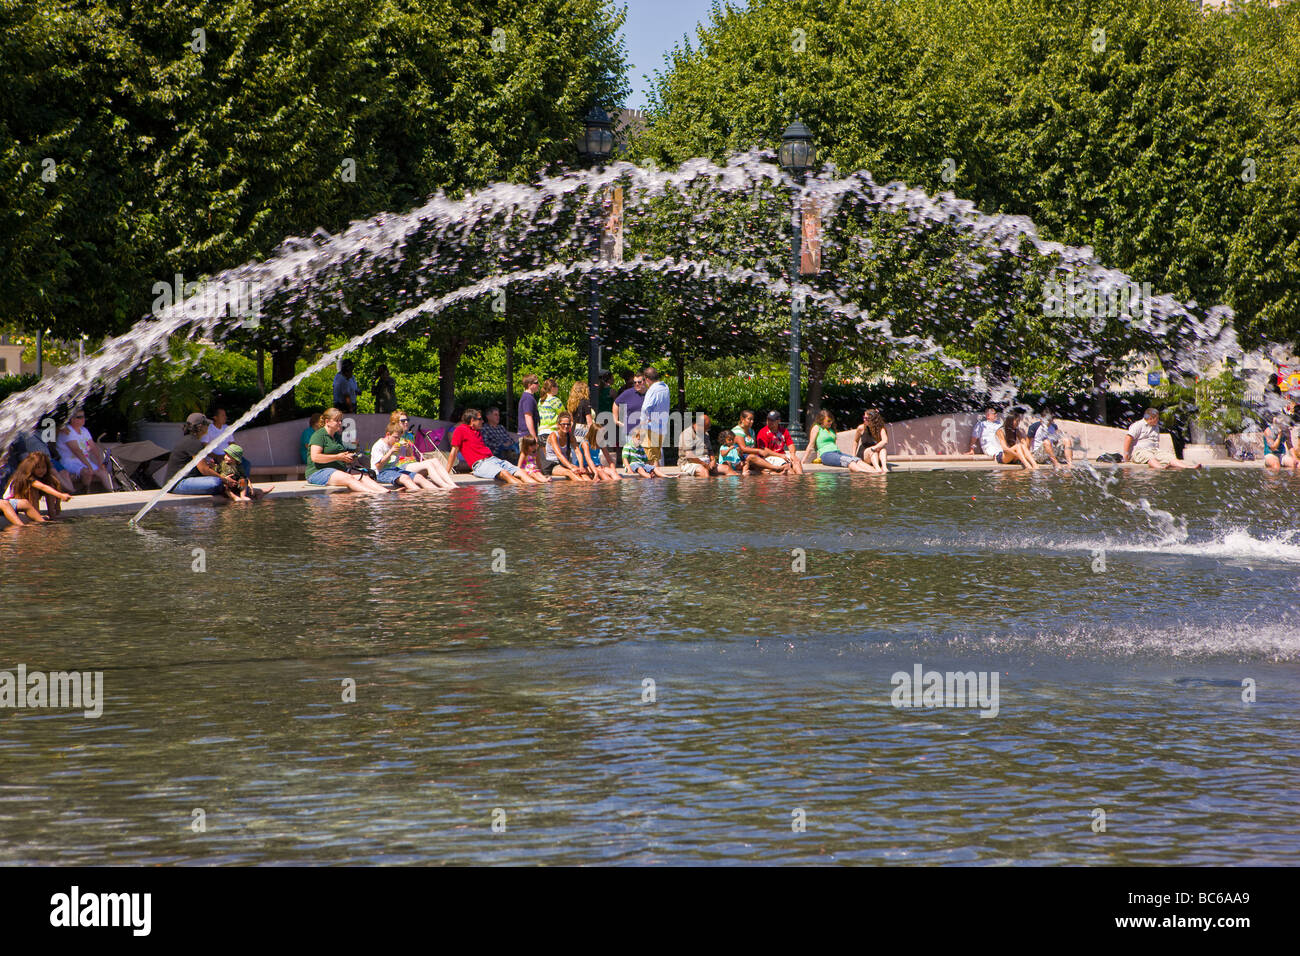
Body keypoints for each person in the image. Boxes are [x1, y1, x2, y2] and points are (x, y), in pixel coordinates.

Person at [306, 407, 391, 493]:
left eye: (341, 420)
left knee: (363, 477)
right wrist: (338, 457)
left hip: (337, 471)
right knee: (349, 478)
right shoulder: (318, 436)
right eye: (337, 420)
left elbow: (342, 455)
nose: (340, 423)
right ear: (327, 421)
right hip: (318, 472)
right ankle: (373, 494)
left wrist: (349, 456)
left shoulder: (337, 437)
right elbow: (315, 457)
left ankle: (385, 492)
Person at [167, 413, 244, 498]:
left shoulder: (191, 440)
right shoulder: (193, 442)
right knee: (216, 482)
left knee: (219, 479)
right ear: (200, 427)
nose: (208, 427)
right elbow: (204, 469)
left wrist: (212, 468)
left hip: (183, 481)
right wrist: (225, 479)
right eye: (207, 424)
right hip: (178, 483)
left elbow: (201, 467)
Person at [448, 408, 527, 485]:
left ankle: (530, 493)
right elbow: (453, 452)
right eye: (480, 419)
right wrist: (447, 472)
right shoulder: (460, 430)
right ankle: (523, 495)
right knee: (504, 473)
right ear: (472, 420)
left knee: (521, 472)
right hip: (480, 464)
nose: (482, 421)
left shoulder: (477, 431)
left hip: (493, 459)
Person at [381, 410, 457, 487]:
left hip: (412, 463)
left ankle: (452, 485)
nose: (406, 422)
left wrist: (409, 448)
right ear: (396, 422)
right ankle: (445, 486)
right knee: (429, 464)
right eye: (403, 421)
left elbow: (410, 455)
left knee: (435, 460)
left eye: (407, 420)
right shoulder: (393, 438)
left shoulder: (409, 436)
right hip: (401, 465)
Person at [1123, 407, 1201, 470]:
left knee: (1169, 456)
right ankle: (1161, 468)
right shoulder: (1138, 425)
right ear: (1150, 418)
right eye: (1157, 418)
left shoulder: (1156, 427)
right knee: (1149, 457)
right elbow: (1128, 438)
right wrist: (1126, 456)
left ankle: (1187, 467)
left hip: (1155, 450)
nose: (1158, 420)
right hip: (1140, 452)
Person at [57, 408, 115, 492]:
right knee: (87, 472)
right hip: (70, 462)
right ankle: (86, 490)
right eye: (79, 417)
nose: (83, 419)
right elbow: (76, 451)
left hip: (83, 461)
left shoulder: (84, 430)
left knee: (103, 473)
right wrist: (89, 465)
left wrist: (100, 463)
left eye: (83, 416)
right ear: (72, 419)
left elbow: (93, 447)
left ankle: (112, 492)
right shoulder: (67, 431)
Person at [370, 424, 440, 491]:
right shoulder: (379, 445)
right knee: (405, 478)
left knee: (419, 477)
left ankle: (437, 493)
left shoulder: (395, 444)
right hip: (380, 473)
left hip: (394, 470)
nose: (397, 440)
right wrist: (390, 452)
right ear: (388, 434)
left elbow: (409, 455)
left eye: (399, 438)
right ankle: (418, 498)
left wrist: (408, 448)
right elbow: (378, 466)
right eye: (395, 437)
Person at [4, 452, 72, 521]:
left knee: (51, 485)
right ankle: (36, 515)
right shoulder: (26, 477)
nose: (41, 470)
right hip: (12, 500)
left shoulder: (46, 477)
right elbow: (42, 487)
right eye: (38, 468)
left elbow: (55, 486)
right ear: (30, 468)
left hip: (26, 500)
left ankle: (52, 513)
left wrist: (57, 505)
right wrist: (60, 495)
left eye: (43, 467)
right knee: (33, 489)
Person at [806, 410, 872, 473]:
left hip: (837, 453)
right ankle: (867, 473)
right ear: (821, 420)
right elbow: (811, 445)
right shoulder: (817, 428)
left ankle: (877, 472)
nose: (831, 422)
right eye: (828, 421)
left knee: (857, 460)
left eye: (831, 421)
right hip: (826, 454)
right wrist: (804, 460)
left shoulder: (831, 430)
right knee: (850, 461)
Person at [542, 412, 592, 481]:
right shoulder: (553, 436)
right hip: (552, 465)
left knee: (582, 473)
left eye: (568, 424)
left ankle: (589, 489)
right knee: (570, 472)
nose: (566, 426)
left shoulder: (570, 436)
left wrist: (581, 467)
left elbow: (578, 452)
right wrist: (571, 467)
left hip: (564, 464)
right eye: (563, 424)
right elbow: (559, 455)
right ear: (558, 425)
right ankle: (582, 487)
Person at [640, 367, 671, 467]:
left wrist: (644, 421)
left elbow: (645, 407)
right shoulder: (665, 387)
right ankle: (658, 481)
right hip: (662, 426)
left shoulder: (652, 389)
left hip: (650, 427)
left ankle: (653, 481)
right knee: (656, 457)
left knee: (651, 459)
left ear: (647, 379)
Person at [614, 372, 647, 460]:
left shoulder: (650, 393)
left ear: (645, 381)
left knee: (646, 457)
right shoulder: (628, 393)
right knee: (632, 457)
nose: (636, 384)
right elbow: (616, 403)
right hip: (630, 430)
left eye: (639, 382)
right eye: (634, 382)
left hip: (646, 430)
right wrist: (615, 419)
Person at [537, 379, 564, 445]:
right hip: (552, 431)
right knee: (554, 454)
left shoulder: (541, 400)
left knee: (546, 455)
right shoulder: (555, 400)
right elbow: (564, 414)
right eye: (557, 387)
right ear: (552, 388)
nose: (558, 389)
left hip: (541, 432)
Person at [517, 375, 541, 444]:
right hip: (527, 437)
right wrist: (533, 436)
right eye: (536, 383)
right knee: (528, 455)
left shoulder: (529, 397)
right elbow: (528, 417)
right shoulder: (528, 398)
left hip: (527, 435)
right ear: (529, 385)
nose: (538, 384)